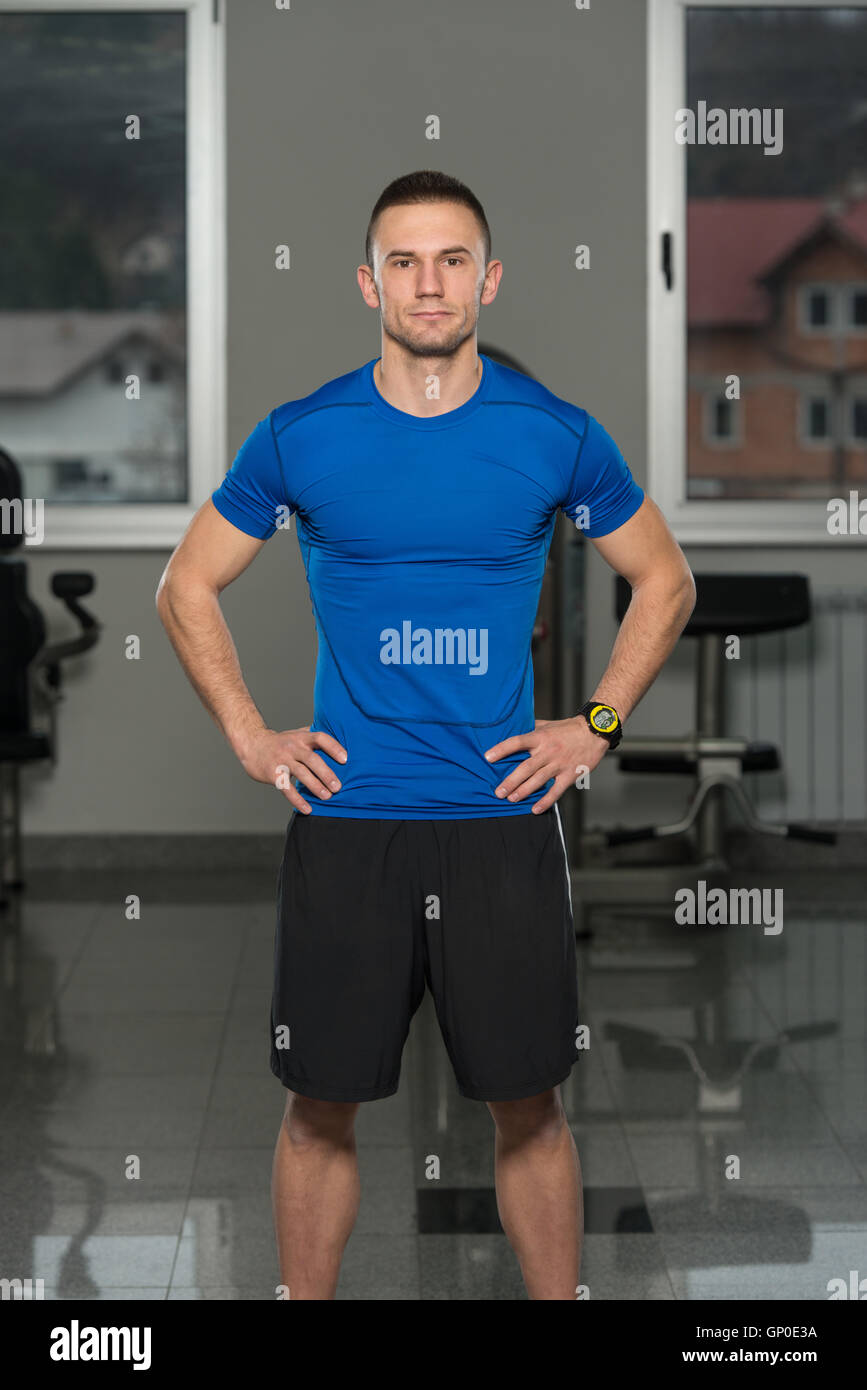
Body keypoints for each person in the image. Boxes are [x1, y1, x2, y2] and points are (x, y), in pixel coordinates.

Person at [156, 169, 696, 1300]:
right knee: (319, 1109)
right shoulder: (302, 435)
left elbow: (665, 580)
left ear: (490, 279)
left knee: (531, 1107)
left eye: (452, 258)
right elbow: (184, 587)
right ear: (368, 283)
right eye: (403, 260)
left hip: (499, 822)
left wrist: (593, 727)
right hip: (348, 820)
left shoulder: (555, 434)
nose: (429, 282)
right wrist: (254, 737)